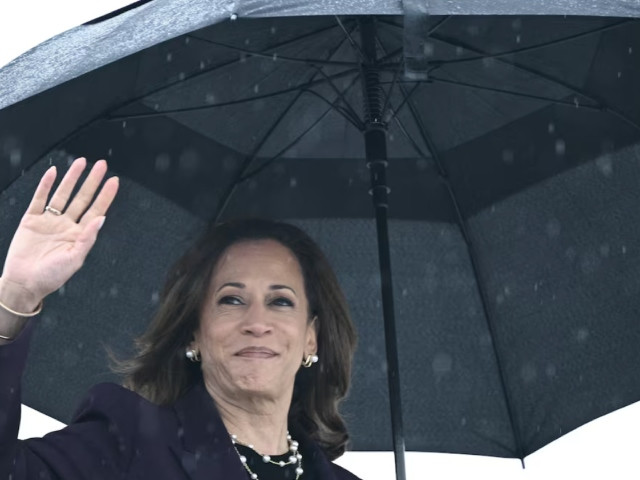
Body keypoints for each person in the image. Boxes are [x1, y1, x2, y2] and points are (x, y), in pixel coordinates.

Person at [0, 157, 361, 480]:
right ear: (194, 335)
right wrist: (15, 295)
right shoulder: (125, 442)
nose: (257, 322)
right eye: (232, 300)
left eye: (280, 302)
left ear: (311, 338)